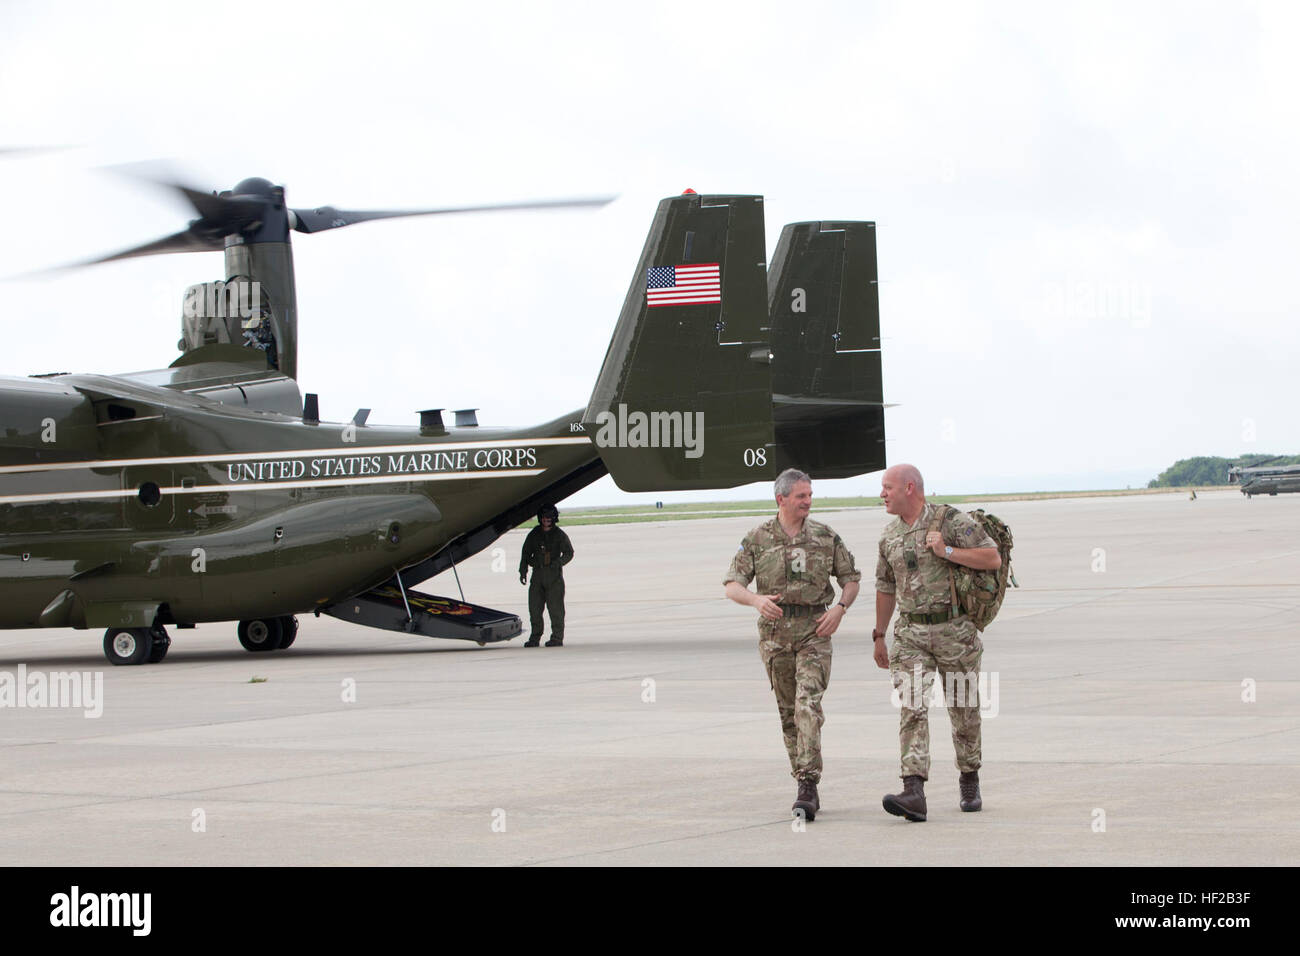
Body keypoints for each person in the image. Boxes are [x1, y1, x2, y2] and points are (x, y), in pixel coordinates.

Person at [724, 468, 860, 822]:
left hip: (816, 629)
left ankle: (808, 784)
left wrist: (840, 610)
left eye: (810, 495)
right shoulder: (757, 538)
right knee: (788, 713)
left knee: (807, 704)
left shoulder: (825, 536)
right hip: (775, 635)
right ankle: (801, 775)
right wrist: (755, 601)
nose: (808, 502)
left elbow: (851, 579)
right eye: (801, 496)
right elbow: (731, 585)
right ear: (780, 499)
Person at [873, 464, 1001, 821]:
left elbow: (991, 557)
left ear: (909, 488)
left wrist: (946, 551)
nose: (882, 494)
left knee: (964, 710)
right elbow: (886, 587)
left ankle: (969, 777)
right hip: (911, 633)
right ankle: (913, 790)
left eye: (887, 488)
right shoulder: (888, 537)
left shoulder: (951, 522)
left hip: (954, 632)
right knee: (911, 706)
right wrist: (879, 634)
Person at [519, 505, 573, 647]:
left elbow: (569, 552)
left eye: (549, 518)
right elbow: (525, 553)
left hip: (554, 577)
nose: (546, 521)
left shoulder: (559, 535)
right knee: (535, 609)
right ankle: (535, 638)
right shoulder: (534, 534)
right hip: (537, 575)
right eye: (544, 518)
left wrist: (558, 563)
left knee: (556, 610)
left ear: (554, 518)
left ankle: (557, 638)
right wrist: (523, 570)